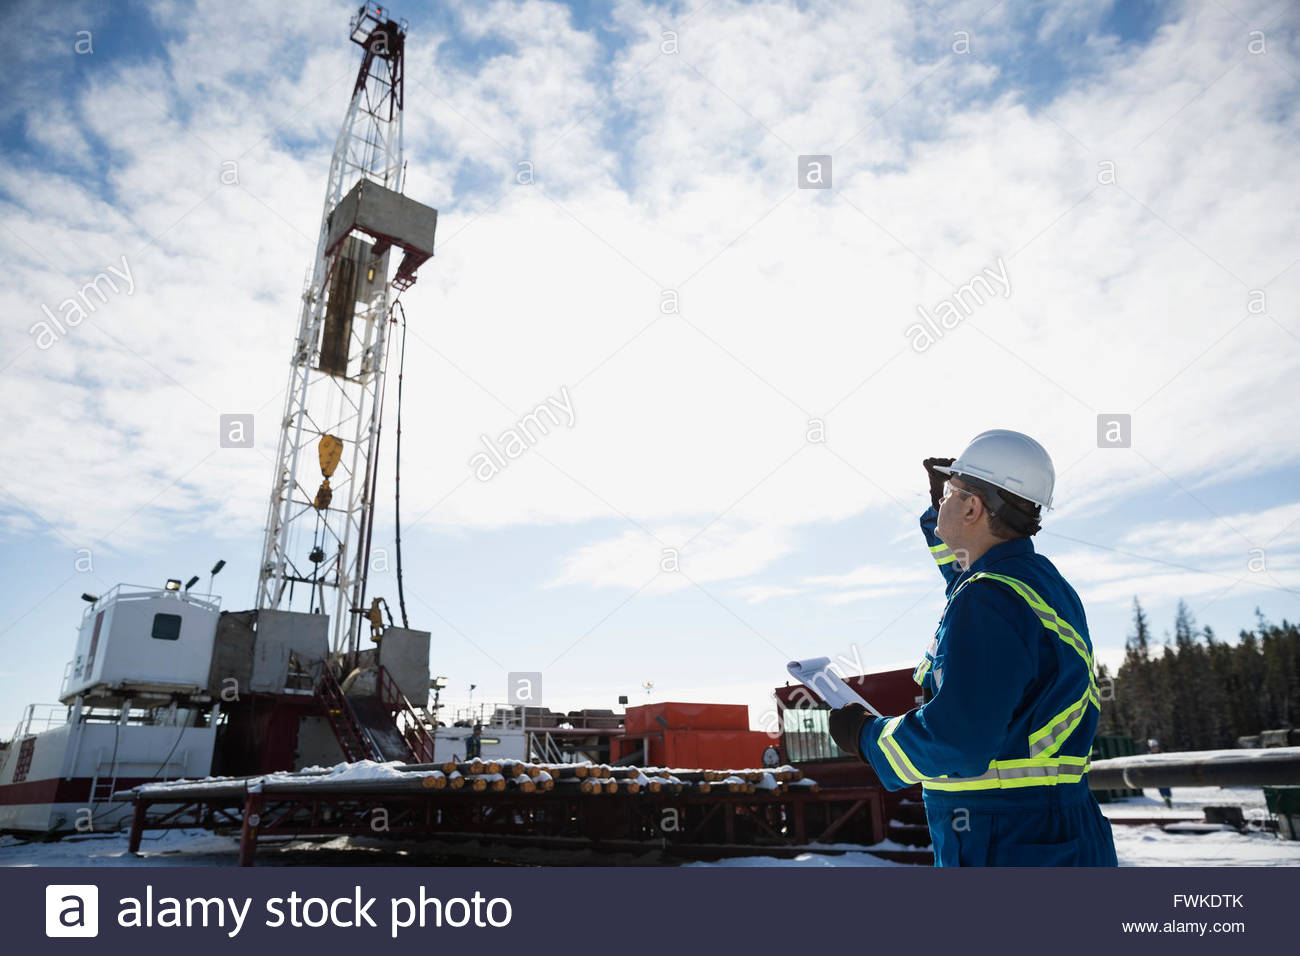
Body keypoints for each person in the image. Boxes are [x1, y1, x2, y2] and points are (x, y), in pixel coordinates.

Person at [828, 429, 1117, 866]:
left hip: (1009, 842)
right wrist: (939, 511)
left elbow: (957, 740)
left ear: (972, 507)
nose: (940, 500)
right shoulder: (1030, 583)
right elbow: (967, 573)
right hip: (1046, 833)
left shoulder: (987, 600)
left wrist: (866, 737)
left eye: (949, 493)